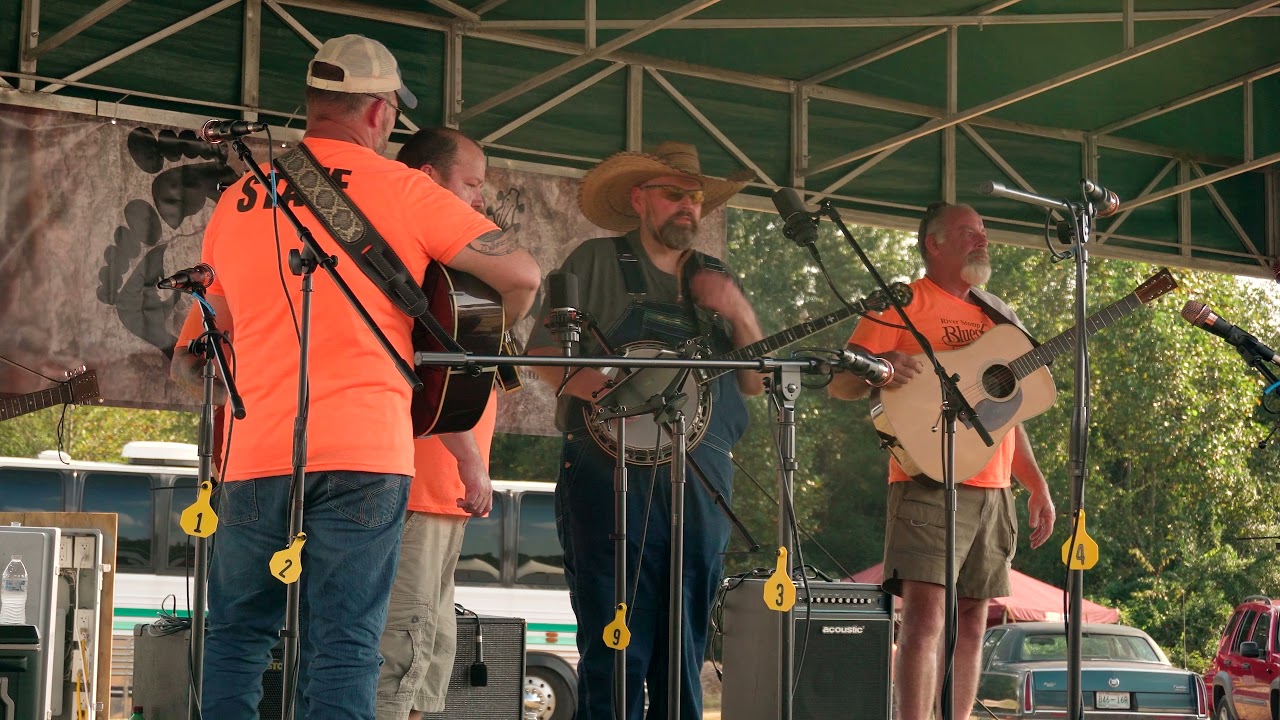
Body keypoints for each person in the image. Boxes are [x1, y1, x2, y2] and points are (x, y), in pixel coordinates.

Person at [170, 35, 539, 720]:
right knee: (344, 644)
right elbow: (521, 275)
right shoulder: (404, 188)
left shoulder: (241, 197)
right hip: (368, 451)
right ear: (377, 113)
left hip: (256, 454)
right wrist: (460, 348)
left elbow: (195, 356)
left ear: (313, 107)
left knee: (236, 638)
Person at [525, 141, 764, 720]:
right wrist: (611, 395)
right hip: (608, 479)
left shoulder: (716, 279)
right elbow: (542, 351)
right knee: (614, 636)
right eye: (674, 194)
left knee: (685, 646)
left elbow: (757, 384)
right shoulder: (595, 261)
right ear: (639, 199)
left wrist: (739, 312)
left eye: (696, 198)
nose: (689, 207)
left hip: (701, 481)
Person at [827, 201, 1056, 720]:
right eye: (968, 232)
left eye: (983, 232)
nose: (982, 239)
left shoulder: (999, 314)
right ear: (934, 243)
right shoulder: (902, 302)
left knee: (975, 618)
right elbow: (840, 383)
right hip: (926, 477)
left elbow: (1006, 416)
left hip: (994, 488)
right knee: (926, 621)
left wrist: (1036, 486)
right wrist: (882, 367)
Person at [375, 127, 499, 720]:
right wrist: (469, 459)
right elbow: (434, 376)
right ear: (427, 180)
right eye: (471, 184)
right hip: (422, 483)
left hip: (441, 491)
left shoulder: (444, 266)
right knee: (404, 647)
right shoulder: (420, 265)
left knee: (429, 653)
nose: (480, 199)